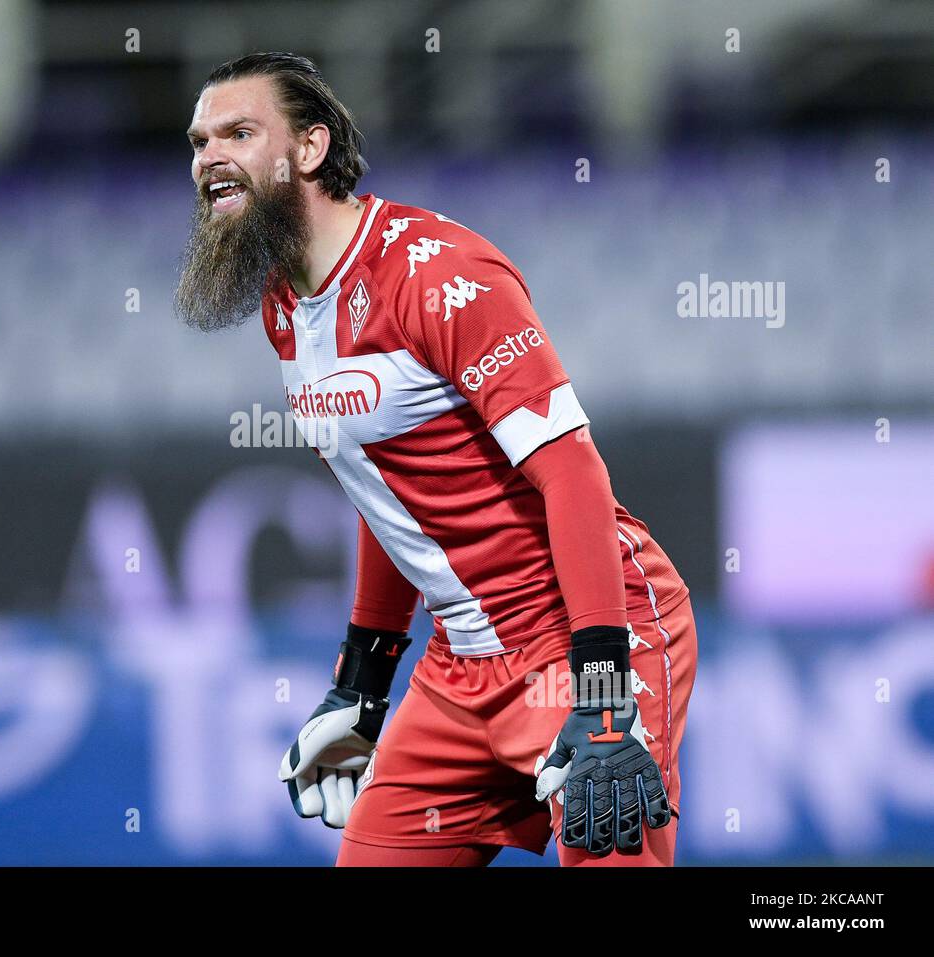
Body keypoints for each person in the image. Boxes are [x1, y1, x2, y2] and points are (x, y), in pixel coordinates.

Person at [175, 52, 696, 867]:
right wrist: (362, 680)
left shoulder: (441, 273)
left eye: (239, 132)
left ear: (309, 150)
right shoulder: (285, 304)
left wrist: (600, 693)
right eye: (200, 140)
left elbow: (573, 473)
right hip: (459, 668)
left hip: (581, 636)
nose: (210, 157)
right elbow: (386, 495)